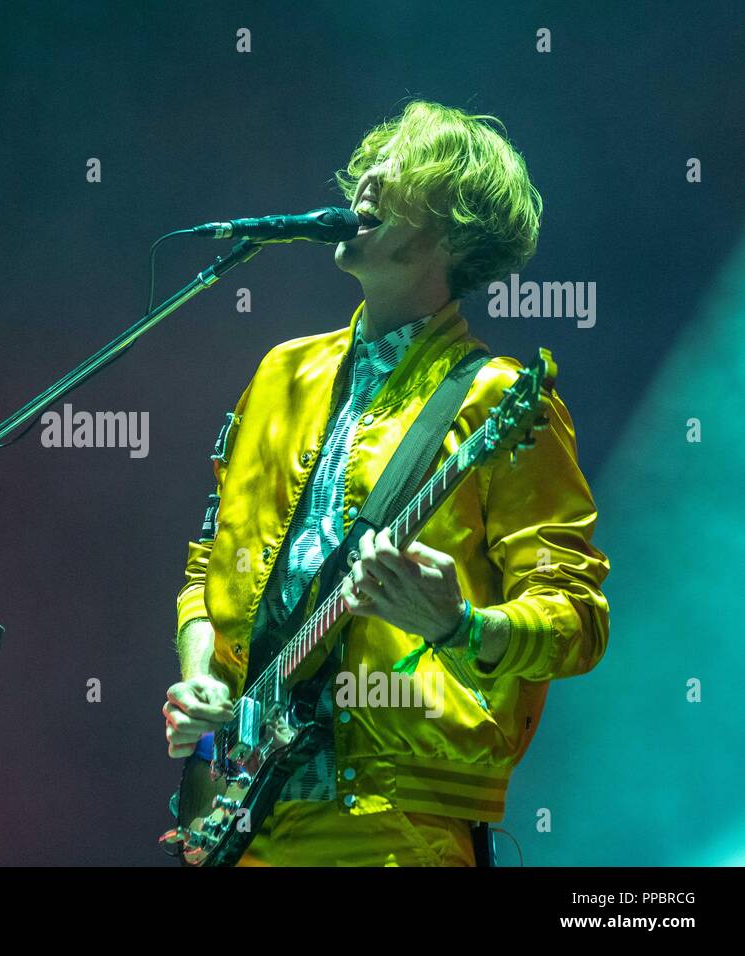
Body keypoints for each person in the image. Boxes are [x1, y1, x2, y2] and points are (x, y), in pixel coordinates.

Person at [162, 100, 610, 866]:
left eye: (401, 176)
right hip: (241, 805)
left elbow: (578, 620)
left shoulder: (497, 400)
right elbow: (211, 566)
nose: (368, 179)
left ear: (455, 228)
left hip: (394, 822)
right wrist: (200, 682)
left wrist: (460, 625)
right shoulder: (281, 373)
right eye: (370, 166)